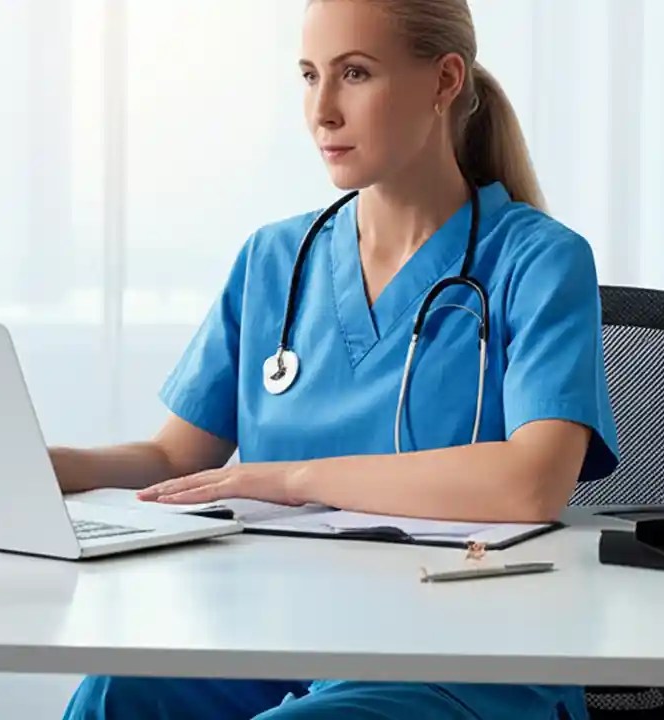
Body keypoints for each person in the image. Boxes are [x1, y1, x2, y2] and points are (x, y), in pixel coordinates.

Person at [49, 0, 621, 717]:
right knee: (115, 695)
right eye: (309, 75)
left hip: (464, 650)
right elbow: (175, 461)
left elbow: (531, 482)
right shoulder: (274, 259)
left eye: (355, 74)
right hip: (281, 632)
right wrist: (44, 465)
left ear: (445, 80)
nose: (322, 110)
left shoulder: (538, 261)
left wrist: (294, 479)